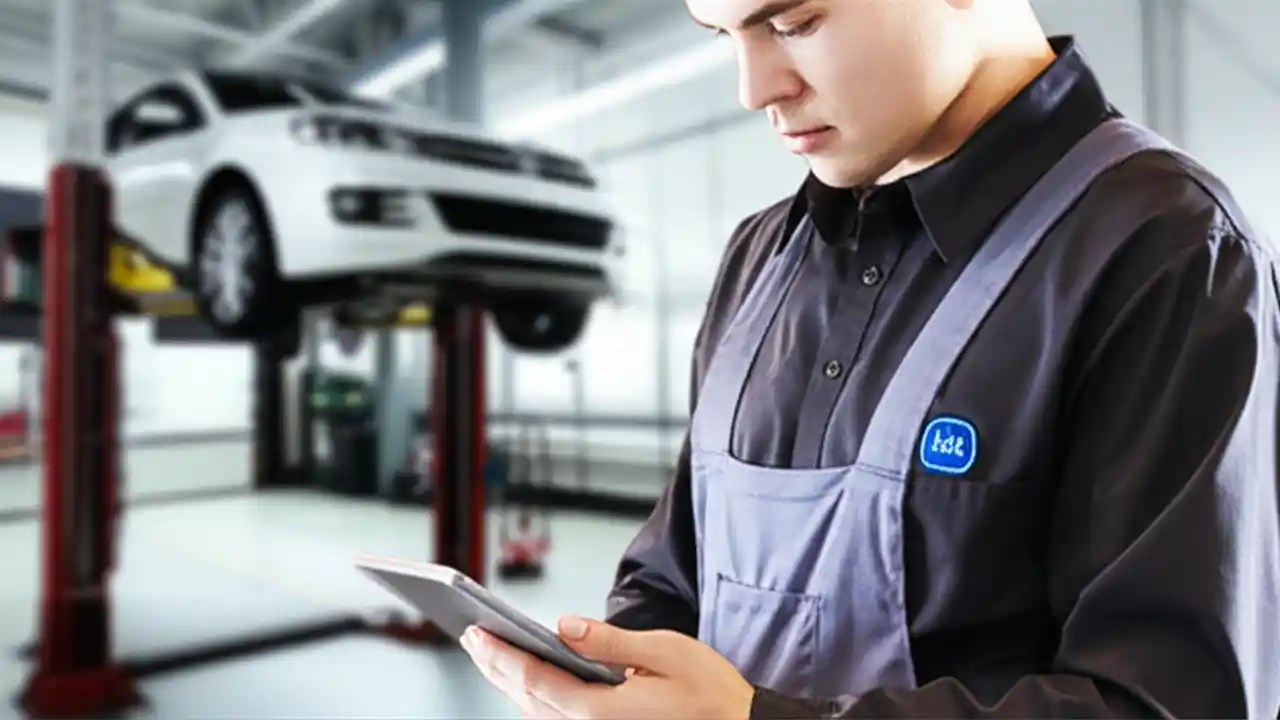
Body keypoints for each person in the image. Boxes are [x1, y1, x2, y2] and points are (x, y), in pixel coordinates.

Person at [461, 0, 1280, 717]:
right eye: (724, 35)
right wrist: (615, 678)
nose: (755, 89)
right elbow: (675, 577)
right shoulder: (760, 258)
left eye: (794, 23)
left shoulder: (1165, 251)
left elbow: (1164, 702)